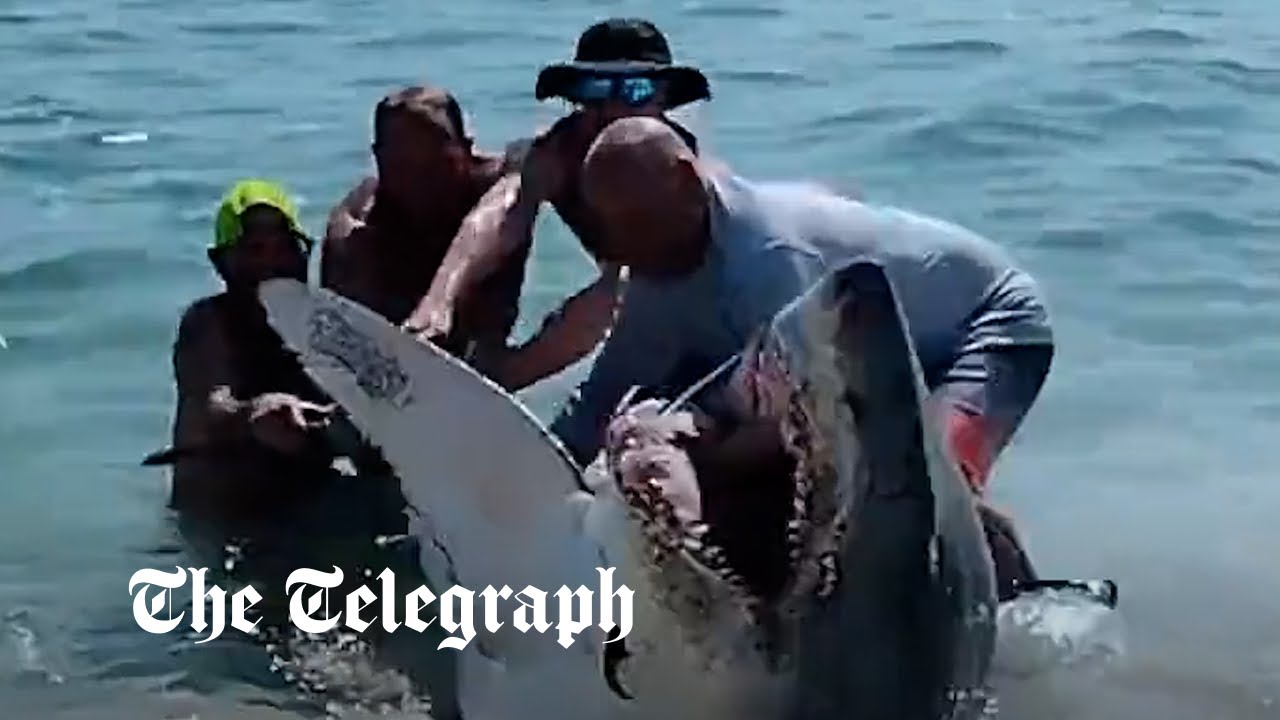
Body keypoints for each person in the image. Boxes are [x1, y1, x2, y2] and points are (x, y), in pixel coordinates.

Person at [551, 117, 1055, 593]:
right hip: (876, 352)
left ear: (686, 181)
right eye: (608, 228)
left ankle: (1030, 607)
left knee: (934, 491)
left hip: (987, 326)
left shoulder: (770, 260)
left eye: (636, 221)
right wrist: (539, 469)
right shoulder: (657, 262)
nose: (621, 247)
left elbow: (805, 420)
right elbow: (601, 398)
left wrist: (707, 453)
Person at [329, 18, 711, 390]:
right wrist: (439, 300)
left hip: (710, 316)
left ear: (663, 98)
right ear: (575, 96)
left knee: (625, 285)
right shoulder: (559, 152)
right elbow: (505, 213)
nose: (611, 109)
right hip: (635, 327)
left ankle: (500, 382)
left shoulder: (678, 170)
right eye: (595, 90)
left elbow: (630, 285)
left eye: (635, 91)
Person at [320, 85, 527, 372]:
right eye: (402, 166)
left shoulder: (501, 185)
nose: (420, 182)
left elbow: (532, 162)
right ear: (378, 160)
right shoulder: (358, 226)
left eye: (436, 164)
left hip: (483, 339)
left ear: (466, 150)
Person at [168, 179, 339, 523]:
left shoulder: (326, 325)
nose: (271, 263)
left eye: (284, 247)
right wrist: (250, 414)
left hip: (313, 504)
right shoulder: (207, 323)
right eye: (253, 250)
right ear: (220, 263)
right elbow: (209, 405)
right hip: (224, 514)